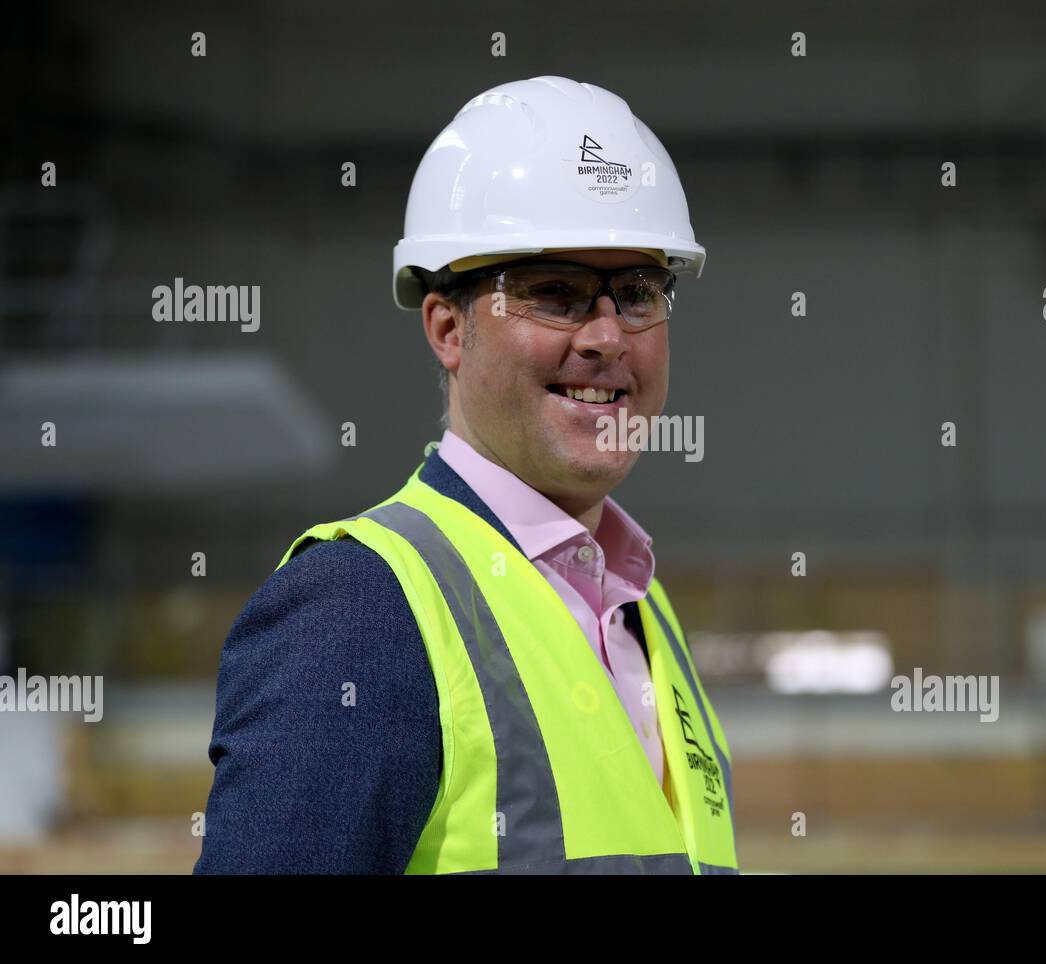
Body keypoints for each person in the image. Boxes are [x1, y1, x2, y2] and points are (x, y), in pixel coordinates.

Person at [195, 76, 738, 874]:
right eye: (555, 294)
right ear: (449, 329)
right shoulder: (360, 613)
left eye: (637, 292)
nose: (606, 337)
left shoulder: (642, 610)